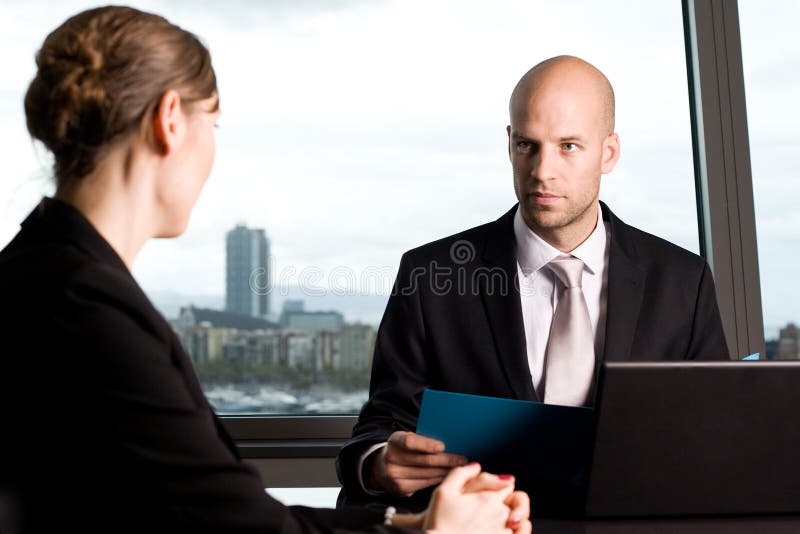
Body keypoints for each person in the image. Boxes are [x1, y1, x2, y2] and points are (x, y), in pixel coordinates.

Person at [0, 6, 532, 534]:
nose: (211, 149)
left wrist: (411, 527)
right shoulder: (86, 308)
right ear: (168, 121)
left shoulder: (41, 273)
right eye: (211, 123)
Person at [336, 55, 731, 511]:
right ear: (509, 144)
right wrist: (379, 462)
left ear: (608, 153)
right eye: (528, 145)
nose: (543, 171)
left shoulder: (684, 280)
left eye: (568, 146)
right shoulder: (430, 275)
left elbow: (710, 434)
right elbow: (383, 423)